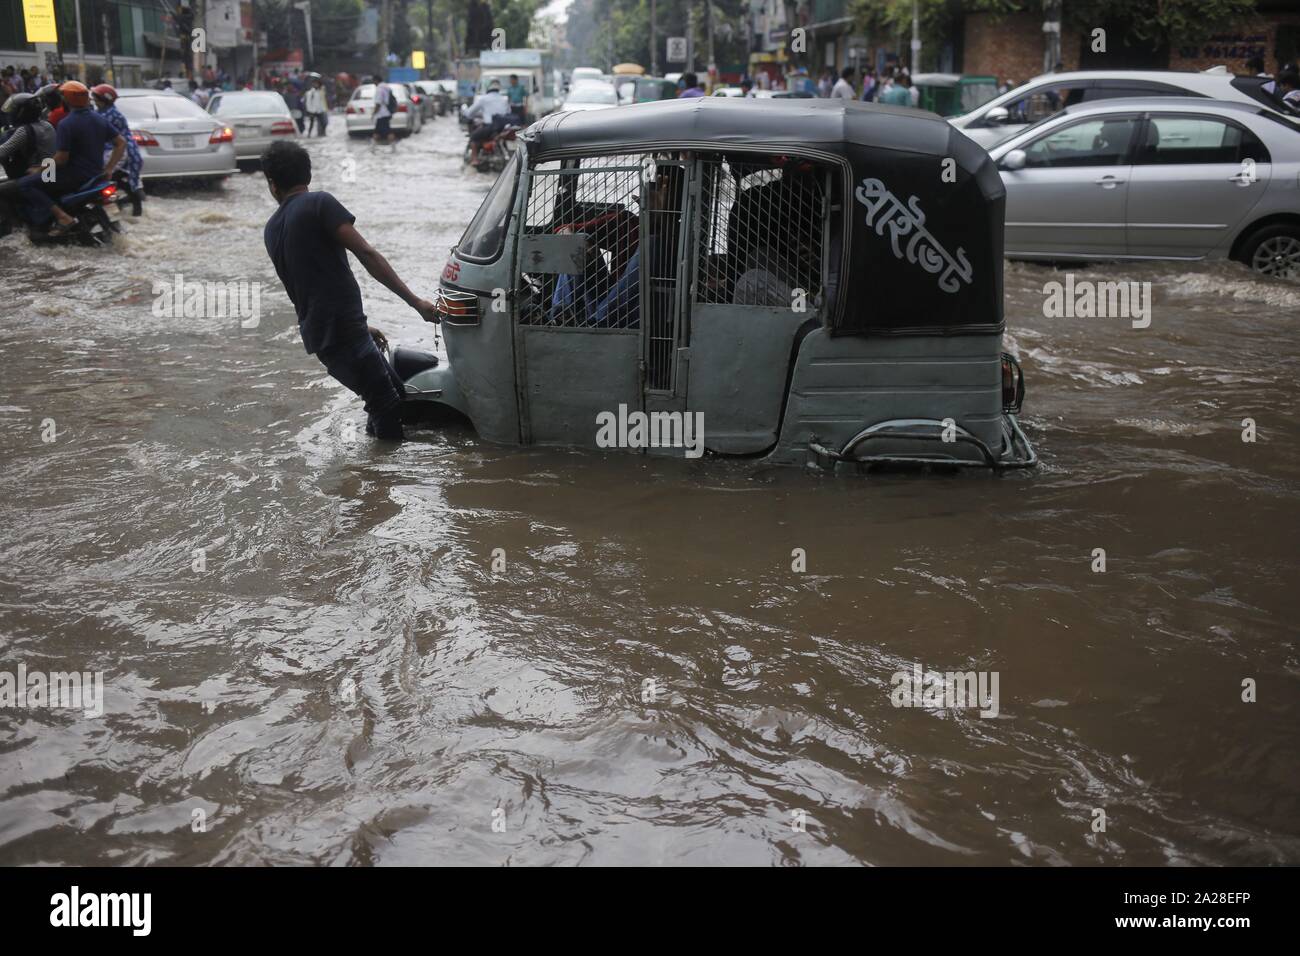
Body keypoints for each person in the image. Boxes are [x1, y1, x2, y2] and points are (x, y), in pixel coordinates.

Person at [260, 140, 440, 442]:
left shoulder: (271, 228)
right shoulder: (320, 203)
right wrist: (416, 303)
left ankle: (370, 469)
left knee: (391, 394)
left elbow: (302, 287)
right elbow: (367, 255)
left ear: (272, 184)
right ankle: (382, 482)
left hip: (325, 334)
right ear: (308, 176)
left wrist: (359, 325)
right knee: (387, 402)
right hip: (342, 331)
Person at [18, 81, 124, 235]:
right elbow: (121, 143)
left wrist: (39, 169)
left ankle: (63, 217)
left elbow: (61, 159)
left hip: (72, 176)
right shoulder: (98, 119)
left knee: (24, 184)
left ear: (66, 100)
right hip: (96, 174)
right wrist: (109, 168)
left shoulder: (66, 124)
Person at [0, 92, 55, 234]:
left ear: (20, 112)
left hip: (37, 176)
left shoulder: (23, 131)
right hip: (51, 173)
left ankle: (16, 230)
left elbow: (3, 151)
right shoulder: (47, 125)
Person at [91, 84, 143, 211]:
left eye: (96, 98)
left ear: (103, 100)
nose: (94, 101)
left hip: (116, 151)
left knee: (102, 178)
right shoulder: (103, 112)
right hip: (118, 150)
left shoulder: (109, 115)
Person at [463, 80, 509, 165]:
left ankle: (474, 159)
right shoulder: (504, 99)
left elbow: (470, 113)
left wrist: (465, 111)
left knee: (473, 137)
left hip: (489, 127)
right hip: (502, 128)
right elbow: (508, 112)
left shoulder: (483, 99)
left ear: (488, 89)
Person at [372, 72, 397, 146]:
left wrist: (374, 113)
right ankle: (373, 147)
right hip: (387, 112)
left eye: (374, 82)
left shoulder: (379, 89)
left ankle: (393, 146)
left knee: (387, 131)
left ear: (376, 81)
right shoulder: (387, 87)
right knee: (378, 131)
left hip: (382, 114)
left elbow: (378, 103)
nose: (374, 84)